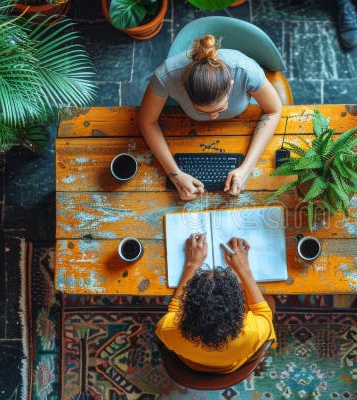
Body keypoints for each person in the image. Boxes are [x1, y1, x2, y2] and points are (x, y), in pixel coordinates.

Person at [139, 34, 282, 199]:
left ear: (231, 85)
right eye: (203, 112)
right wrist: (175, 174)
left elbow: (274, 110)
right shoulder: (166, 76)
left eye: (222, 108)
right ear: (183, 91)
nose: (213, 117)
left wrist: (246, 169)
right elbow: (147, 121)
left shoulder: (246, 70)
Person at [156, 234, 275, 374]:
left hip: (193, 363)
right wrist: (243, 269)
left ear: (188, 305)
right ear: (239, 307)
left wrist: (191, 265)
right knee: (269, 300)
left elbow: (175, 310)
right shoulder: (253, 332)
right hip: (231, 364)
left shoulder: (167, 329)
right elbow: (264, 315)